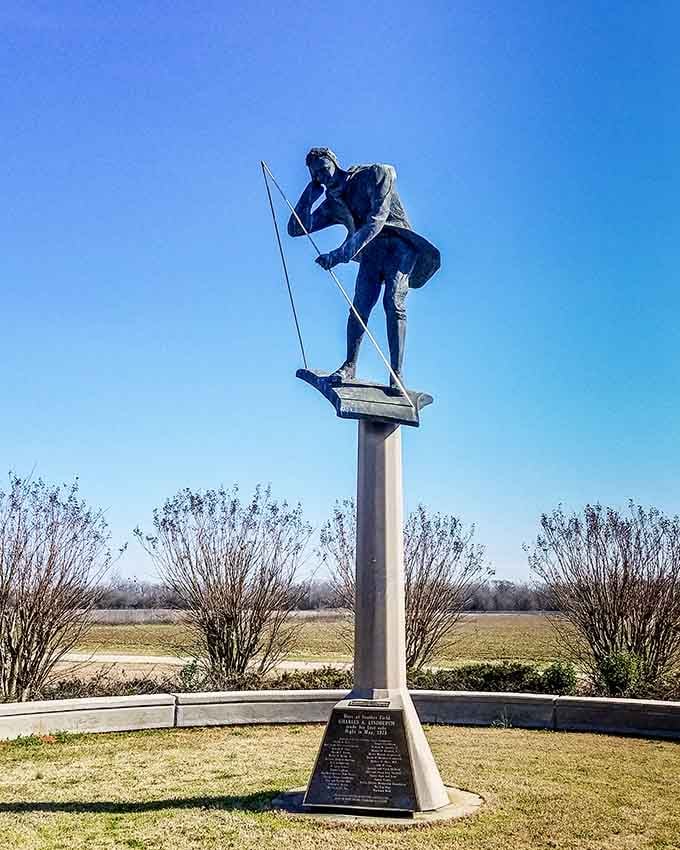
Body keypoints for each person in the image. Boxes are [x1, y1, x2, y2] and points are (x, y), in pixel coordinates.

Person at [287, 147, 440, 391]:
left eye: (323, 169)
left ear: (335, 162)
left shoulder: (375, 174)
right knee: (359, 306)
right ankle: (350, 366)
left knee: (393, 302)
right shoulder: (333, 203)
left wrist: (339, 255)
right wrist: (309, 193)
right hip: (372, 251)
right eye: (316, 174)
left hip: (399, 246)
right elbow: (296, 229)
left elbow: (376, 221)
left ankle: (396, 374)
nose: (322, 176)